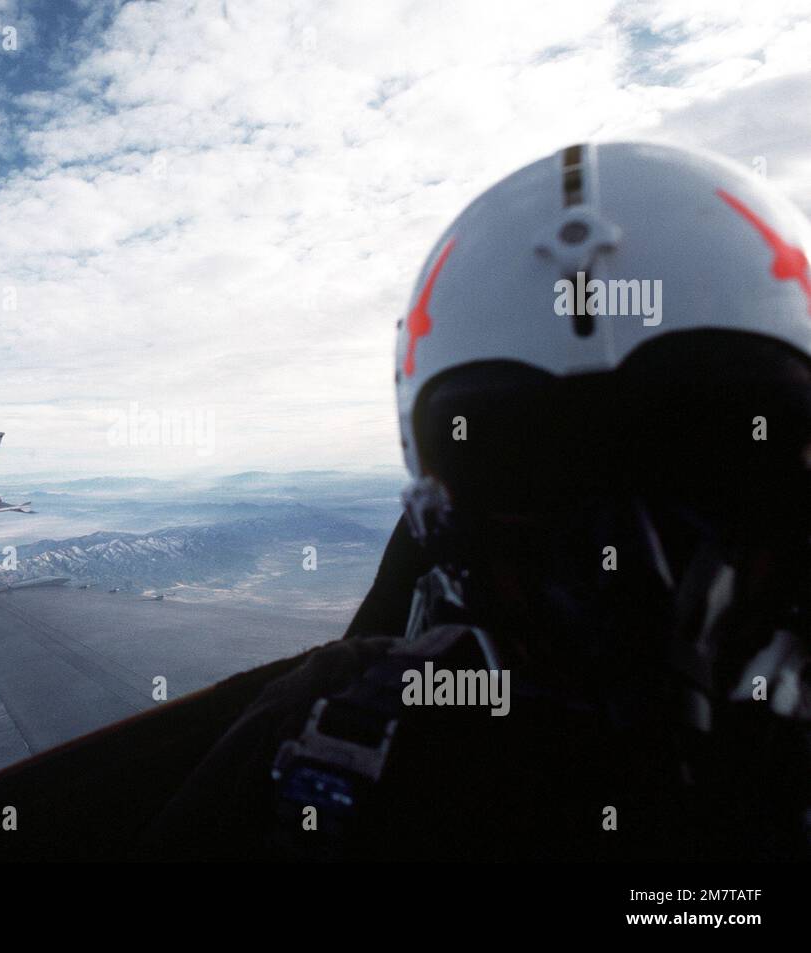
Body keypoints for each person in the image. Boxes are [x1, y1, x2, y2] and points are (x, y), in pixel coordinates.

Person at [140, 142, 811, 861]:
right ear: (439, 502)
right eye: (524, 458)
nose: (628, 548)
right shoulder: (329, 735)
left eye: (711, 447)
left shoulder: (324, 735)